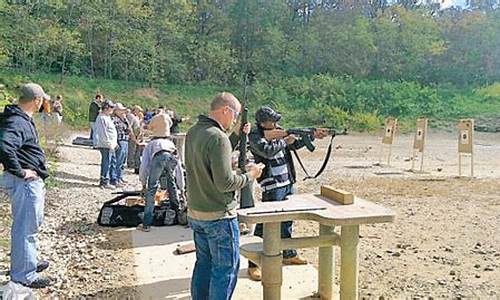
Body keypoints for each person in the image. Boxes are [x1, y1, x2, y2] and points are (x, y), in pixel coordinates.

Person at [185, 92, 263, 300]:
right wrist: (250, 175)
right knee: (226, 269)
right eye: (235, 115)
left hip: (197, 212)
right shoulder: (218, 138)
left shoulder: (194, 132)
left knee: (204, 264)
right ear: (225, 111)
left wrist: (236, 135)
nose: (236, 119)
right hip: (218, 216)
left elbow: (213, 152)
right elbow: (225, 183)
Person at [246, 106, 327, 281]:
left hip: (287, 181)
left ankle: (289, 254)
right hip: (271, 185)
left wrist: (310, 137)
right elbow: (266, 151)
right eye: (271, 121)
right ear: (262, 123)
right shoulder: (254, 135)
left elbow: (293, 145)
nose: (275, 123)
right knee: (266, 223)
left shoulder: (277, 132)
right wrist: (284, 140)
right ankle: (253, 264)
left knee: (288, 219)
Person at [0, 83, 52, 288]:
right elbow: (4, 144)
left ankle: (26, 261)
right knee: (25, 228)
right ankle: (24, 274)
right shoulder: (18, 121)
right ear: (37, 101)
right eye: (42, 101)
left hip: (24, 181)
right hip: (25, 182)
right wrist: (20, 171)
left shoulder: (16, 117)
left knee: (30, 224)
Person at [138, 114, 180, 232]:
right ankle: (177, 212)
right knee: (171, 183)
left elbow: (144, 165)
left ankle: (146, 223)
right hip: (170, 155)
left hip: (158, 156)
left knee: (152, 188)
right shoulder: (171, 143)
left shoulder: (151, 144)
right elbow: (178, 169)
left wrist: (143, 182)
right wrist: (181, 186)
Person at [94, 100, 117, 189]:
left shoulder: (106, 117)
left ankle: (106, 180)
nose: (112, 109)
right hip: (106, 145)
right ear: (106, 108)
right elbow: (103, 133)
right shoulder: (101, 118)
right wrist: (109, 144)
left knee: (109, 162)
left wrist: (114, 143)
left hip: (110, 144)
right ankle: (104, 182)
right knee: (106, 163)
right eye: (111, 107)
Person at [110, 103, 130, 186]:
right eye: (121, 110)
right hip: (119, 140)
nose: (123, 111)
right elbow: (116, 130)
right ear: (116, 111)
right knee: (118, 160)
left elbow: (128, 129)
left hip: (125, 140)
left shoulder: (123, 119)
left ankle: (120, 176)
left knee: (122, 160)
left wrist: (125, 120)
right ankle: (115, 178)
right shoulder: (114, 119)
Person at [127, 105, 144, 173]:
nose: (139, 112)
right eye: (138, 110)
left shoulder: (136, 117)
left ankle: (134, 163)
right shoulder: (131, 116)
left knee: (136, 150)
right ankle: (130, 163)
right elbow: (129, 126)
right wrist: (132, 135)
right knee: (132, 150)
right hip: (133, 135)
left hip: (137, 135)